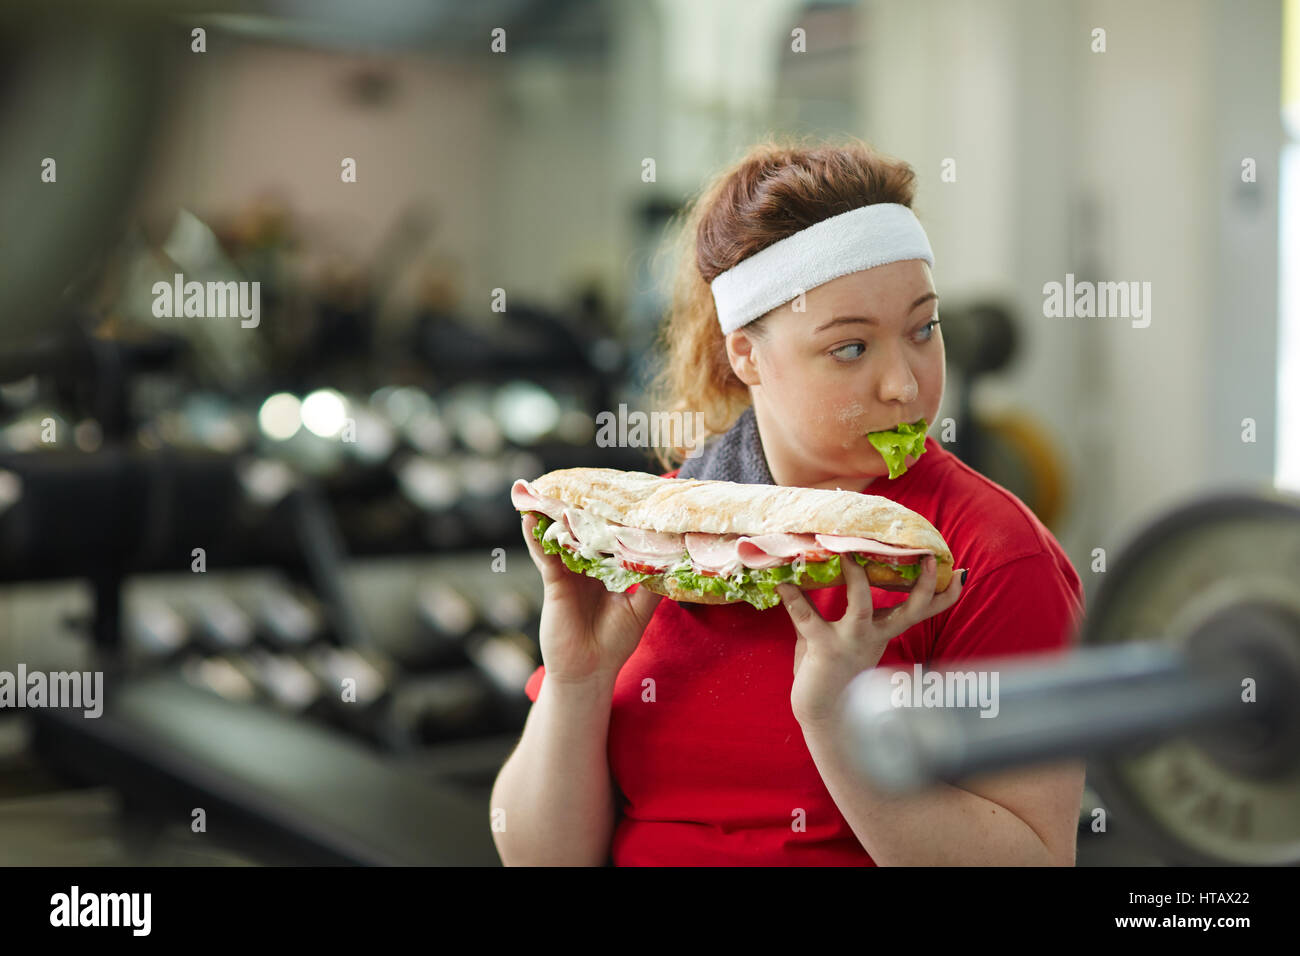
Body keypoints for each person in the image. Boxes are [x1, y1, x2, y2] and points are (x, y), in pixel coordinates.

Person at [490, 137, 1085, 866]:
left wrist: (834, 722)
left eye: (923, 329)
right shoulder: (659, 539)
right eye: (850, 348)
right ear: (746, 354)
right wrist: (577, 683)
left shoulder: (986, 557)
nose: (903, 384)